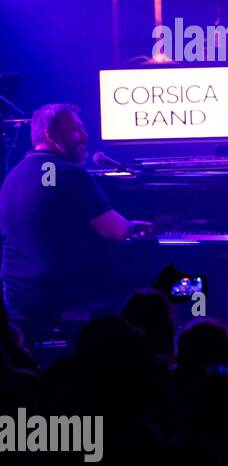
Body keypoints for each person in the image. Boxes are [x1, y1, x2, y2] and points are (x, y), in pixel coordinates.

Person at [0, 103, 151, 325]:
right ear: (51, 135)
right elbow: (118, 231)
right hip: (59, 295)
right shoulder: (71, 174)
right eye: (76, 129)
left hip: (18, 296)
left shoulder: (12, 176)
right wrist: (141, 227)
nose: (85, 136)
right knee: (144, 282)